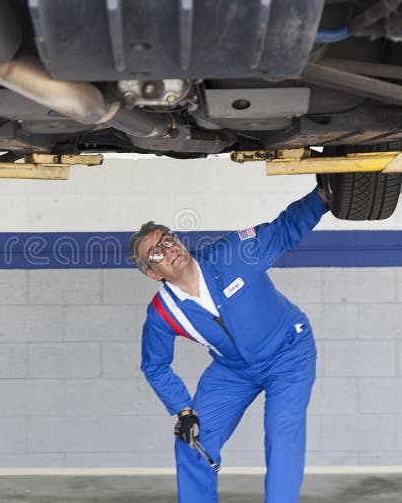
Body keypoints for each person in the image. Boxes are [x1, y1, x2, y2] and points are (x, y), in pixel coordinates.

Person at [129, 185, 330, 503]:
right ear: (153, 274)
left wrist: (323, 197)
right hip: (234, 370)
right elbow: (154, 365)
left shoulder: (232, 254)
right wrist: (183, 410)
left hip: (289, 352)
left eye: (167, 239)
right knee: (192, 441)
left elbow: (283, 229)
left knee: (281, 434)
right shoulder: (163, 312)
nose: (168, 249)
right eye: (156, 253)